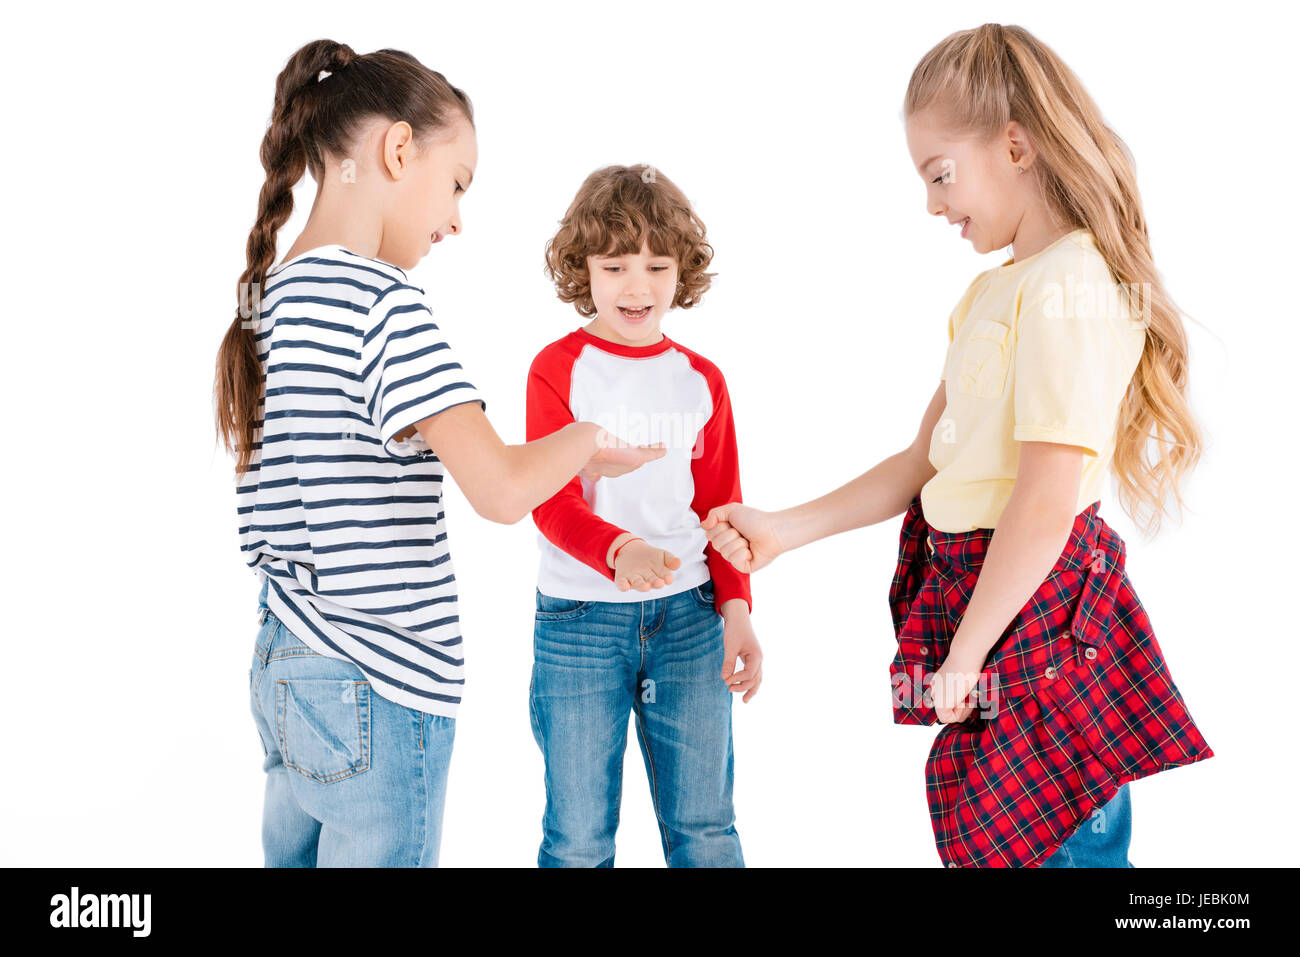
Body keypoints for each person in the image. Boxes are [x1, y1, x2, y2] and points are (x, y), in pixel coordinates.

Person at [701, 23, 1214, 868]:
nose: (933, 204)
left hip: (1038, 626)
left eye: (941, 175)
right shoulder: (995, 290)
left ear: (1016, 146)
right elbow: (924, 463)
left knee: (1057, 849)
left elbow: (1047, 498)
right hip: (991, 605)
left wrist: (968, 653)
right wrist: (783, 529)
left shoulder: (1070, 287)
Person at [212, 41, 663, 867]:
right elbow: (497, 491)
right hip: (377, 682)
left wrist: (563, 457)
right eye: (456, 184)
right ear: (395, 150)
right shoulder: (385, 304)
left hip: (285, 660)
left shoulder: (270, 300)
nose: (457, 219)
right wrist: (587, 437)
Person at [524, 165, 762, 866]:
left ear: (681, 271)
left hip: (690, 620)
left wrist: (738, 609)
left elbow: (723, 511)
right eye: (615, 263)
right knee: (577, 838)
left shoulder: (702, 379)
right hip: (579, 622)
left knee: (705, 827)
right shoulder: (556, 368)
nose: (638, 284)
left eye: (658, 264)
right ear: (583, 268)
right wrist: (618, 548)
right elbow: (549, 497)